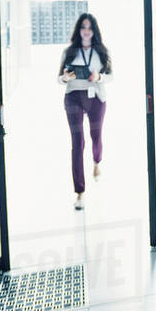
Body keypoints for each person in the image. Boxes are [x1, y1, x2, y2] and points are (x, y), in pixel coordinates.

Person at [57, 13, 113, 209]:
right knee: (77, 142)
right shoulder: (69, 52)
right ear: (79, 30)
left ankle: (97, 161)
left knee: (95, 136)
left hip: (96, 97)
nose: (86, 31)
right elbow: (59, 78)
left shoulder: (101, 51)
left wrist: (98, 77)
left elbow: (110, 75)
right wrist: (65, 77)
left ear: (94, 30)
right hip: (74, 96)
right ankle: (79, 192)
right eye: (83, 27)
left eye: (89, 27)